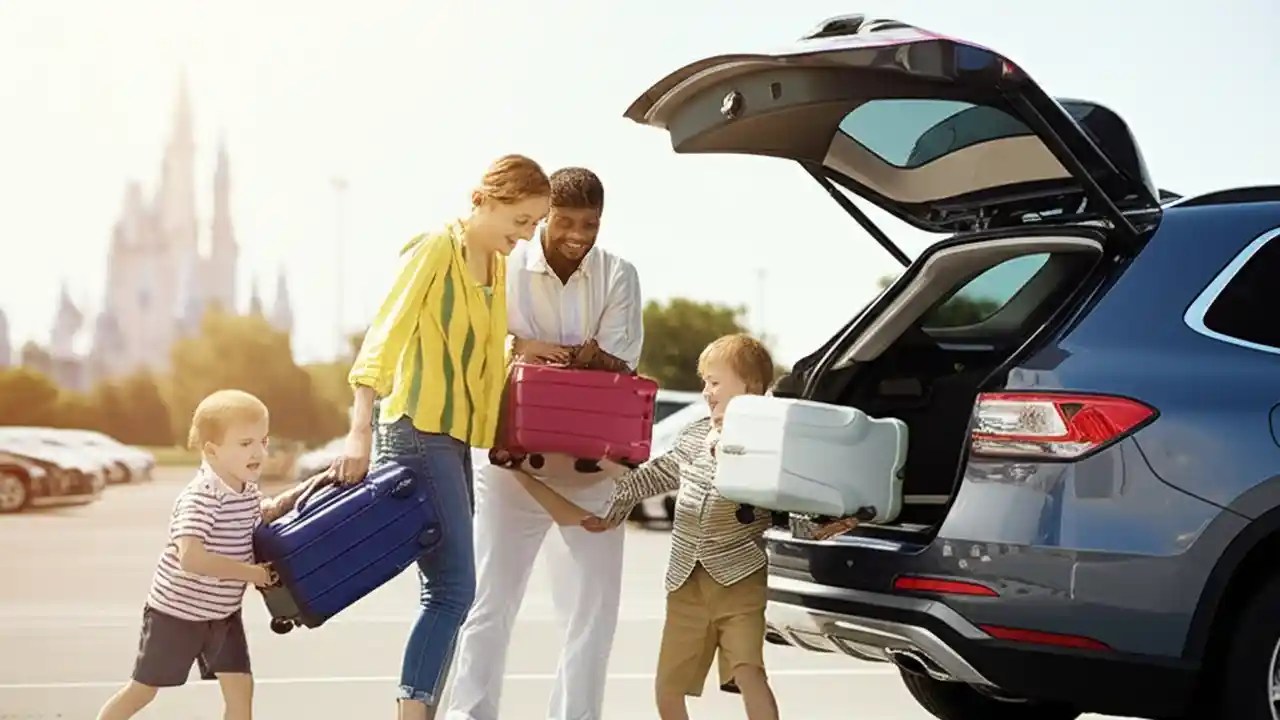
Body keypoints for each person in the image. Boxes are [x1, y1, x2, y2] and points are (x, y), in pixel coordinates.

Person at [334, 154, 551, 720]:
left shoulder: (496, 268)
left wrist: (526, 351)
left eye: (534, 225)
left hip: (454, 440)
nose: (526, 235)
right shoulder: (435, 248)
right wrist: (359, 432)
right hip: (415, 430)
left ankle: (419, 711)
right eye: (522, 219)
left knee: (452, 590)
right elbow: (385, 336)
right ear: (487, 199)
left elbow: (486, 342)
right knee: (455, 587)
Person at [445, 167, 644, 720]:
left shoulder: (619, 275)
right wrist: (523, 345)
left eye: (591, 223)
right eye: (565, 221)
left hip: (593, 470)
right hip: (511, 465)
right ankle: (470, 713)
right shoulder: (505, 267)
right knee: (490, 600)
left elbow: (619, 365)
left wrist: (534, 356)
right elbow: (481, 348)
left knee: (592, 614)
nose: (578, 234)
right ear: (544, 218)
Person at [510, 334, 785, 720]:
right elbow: (652, 477)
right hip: (685, 581)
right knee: (667, 690)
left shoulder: (768, 443)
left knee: (748, 671)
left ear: (752, 387)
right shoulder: (693, 436)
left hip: (739, 578)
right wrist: (612, 507)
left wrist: (823, 524)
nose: (706, 391)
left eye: (716, 382)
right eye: (704, 382)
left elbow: (792, 498)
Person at [95, 389, 327, 720]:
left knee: (240, 688)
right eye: (245, 443)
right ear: (212, 451)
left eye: (263, 441)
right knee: (143, 690)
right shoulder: (201, 498)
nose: (259, 451)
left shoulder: (245, 490)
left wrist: (318, 485)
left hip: (222, 615)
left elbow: (263, 512)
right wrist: (255, 574)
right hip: (177, 615)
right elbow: (191, 558)